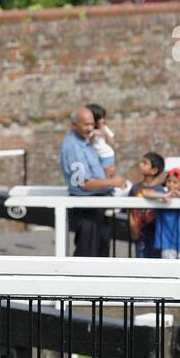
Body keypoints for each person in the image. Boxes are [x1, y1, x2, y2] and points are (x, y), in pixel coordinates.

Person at [60, 106, 129, 257]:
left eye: (92, 124)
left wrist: (105, 175)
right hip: (86, 208)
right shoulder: (73, 147)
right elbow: (83, 183)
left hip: (96, 206)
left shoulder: (84, 141)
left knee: (100, 254)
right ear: (73, 125)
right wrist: (113, 182)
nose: (91, 128)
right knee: (88, 254)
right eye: (86, 125)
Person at [129, 152, 165, 258]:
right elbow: (130, 211)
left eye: (145, 163)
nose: (140, 165)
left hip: (155, 234)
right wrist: (133, 228)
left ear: (154, 170)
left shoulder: (160, 190)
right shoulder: (135, 188)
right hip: (140, 233)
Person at [87, 103, 116, 179]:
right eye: (100, 118)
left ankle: (109, 189)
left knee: (107, 175)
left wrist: (105, 133)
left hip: (107, 156)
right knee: (97, 176)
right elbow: (88, 144)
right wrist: (94, 135)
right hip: (95, 157)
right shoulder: (90, 131)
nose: (102, 120)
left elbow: (111, 143)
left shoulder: (105, 128)